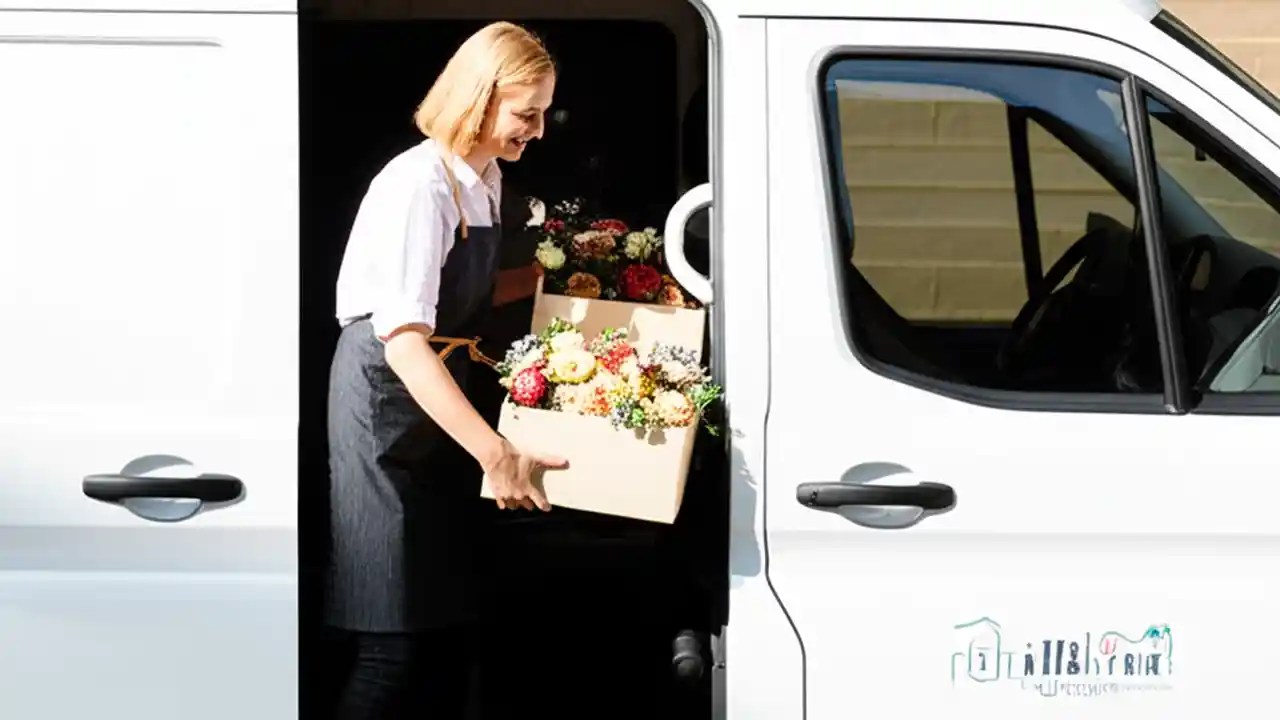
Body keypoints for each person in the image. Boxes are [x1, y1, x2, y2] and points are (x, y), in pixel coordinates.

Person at [324, 21, 565, 719]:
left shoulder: (483, 180)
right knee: (390, 646)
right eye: (528, 113)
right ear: (480, 100)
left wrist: (577, 275)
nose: (539, 131)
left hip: (438, 410)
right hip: (388, 413)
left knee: (444, 629)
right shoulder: (418, 186)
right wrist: (496, 453)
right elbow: (403, 340)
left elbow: (474, 291)